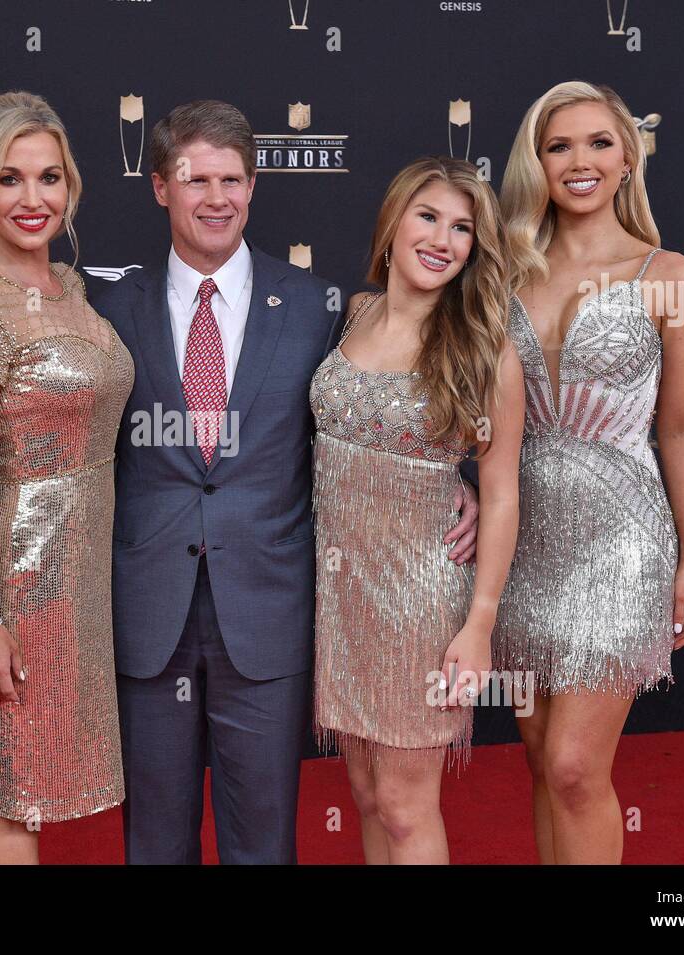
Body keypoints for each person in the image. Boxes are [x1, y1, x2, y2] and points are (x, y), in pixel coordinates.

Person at [92, 101, 481, 864]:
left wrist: (453, 480)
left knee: (264, 837)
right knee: (154, 837)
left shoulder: (318, 308)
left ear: (254, 184)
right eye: (194, 178)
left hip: (269, 611)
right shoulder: (109, 312)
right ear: (160, 186)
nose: (215, 197)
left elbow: (368, 416)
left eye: (231, 178)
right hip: (147, 610)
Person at [493, 81, 684, 864]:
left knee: (575, 766)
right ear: (536, 161)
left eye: (597, 143)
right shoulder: (501, 273)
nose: (578, 161)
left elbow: (682, 427)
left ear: (628, 157)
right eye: (558, 146)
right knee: (540, 760)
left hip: (622, 540)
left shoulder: (672, 277)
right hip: (519, 542)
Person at [0, 92, 133, 865]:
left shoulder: (69, 288)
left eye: (49, 177)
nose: (33, 197)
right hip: (26, 568)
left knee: (18, 788)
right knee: (20, 791)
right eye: (10, 179)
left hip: (83, 571)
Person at [312, 156, 524, 864]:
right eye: (429, 217)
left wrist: (480, 623)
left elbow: (499, 492)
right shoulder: (353, 314)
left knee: (406, 806)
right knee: (369, 796)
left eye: (462, 228)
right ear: (394, 222)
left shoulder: (486, 351)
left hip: (420, 602)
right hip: (340, 596)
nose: (443, 239)